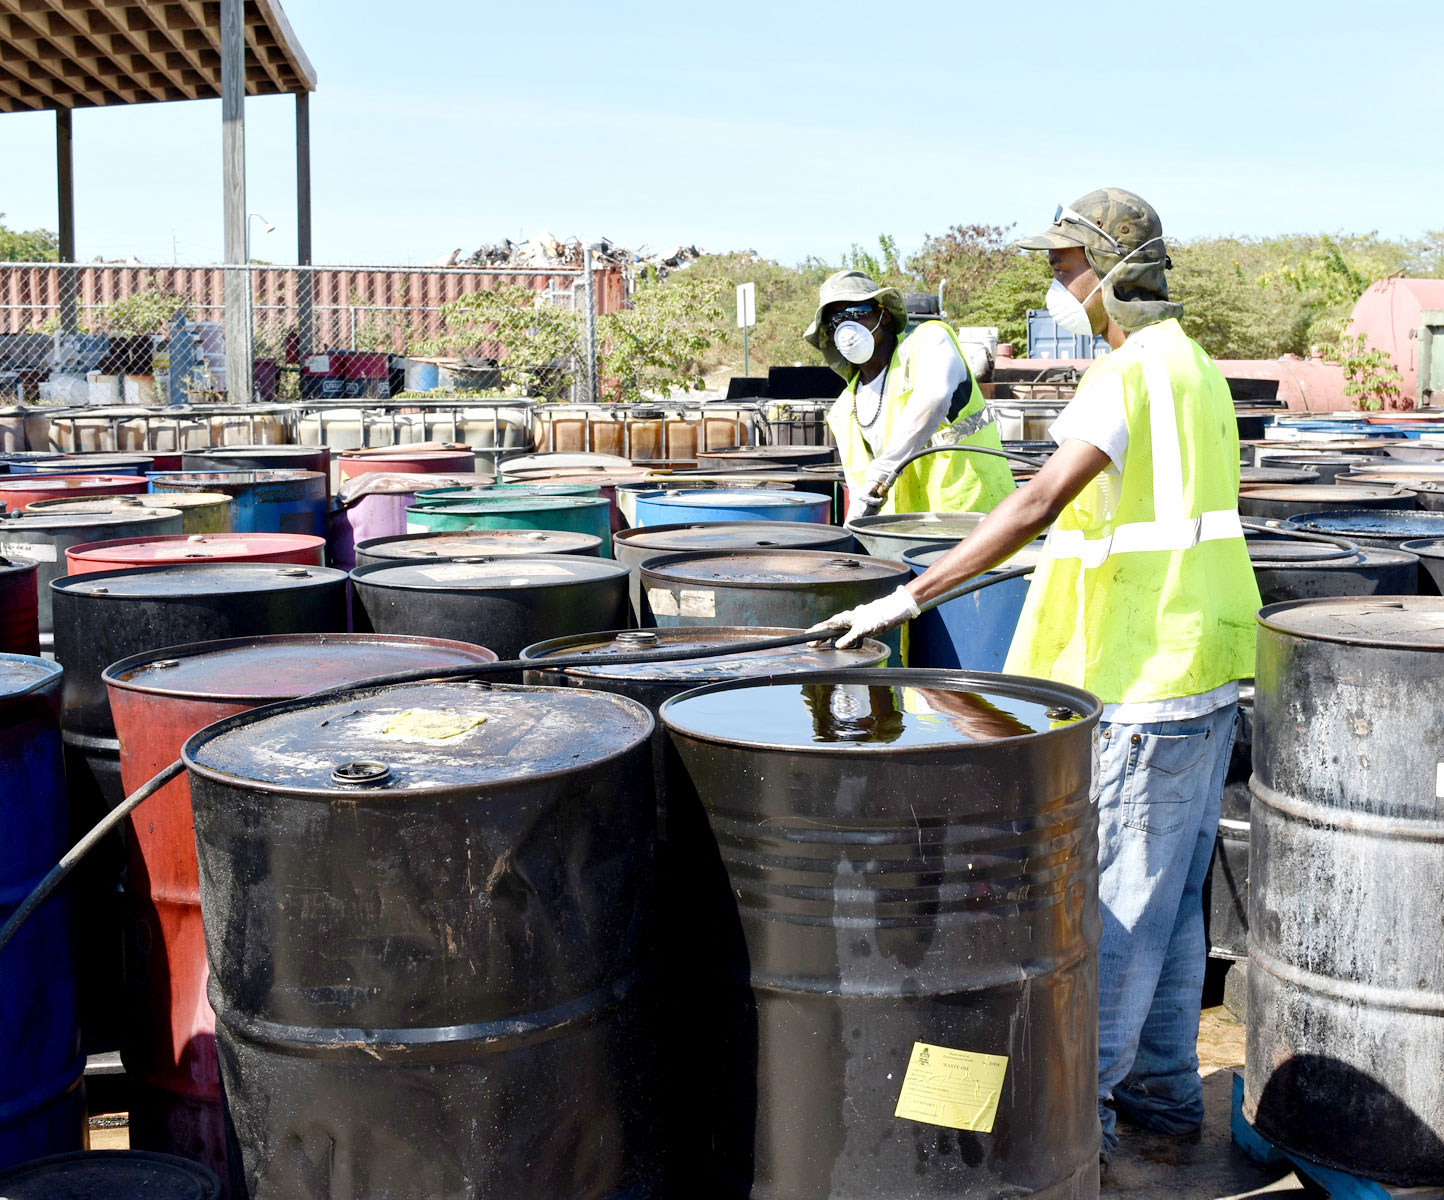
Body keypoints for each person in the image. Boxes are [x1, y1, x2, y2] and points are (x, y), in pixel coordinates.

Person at [812, 189, 1261, 1174]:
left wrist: (909, 597)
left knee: (1117, 916)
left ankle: (1081, 1120)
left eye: (1067, 266)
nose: (1057, 284)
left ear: (1115, 268)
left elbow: (1040, 497)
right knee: (1174, 902)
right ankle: (1164, 1098)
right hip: (1207, 661)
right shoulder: (1195, 367)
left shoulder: (1126, 370)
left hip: (1143, 674)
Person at [803, 270, 1015, 522]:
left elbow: (934, 398)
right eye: (835, 320)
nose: (846, 327)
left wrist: (883, 469)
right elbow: (860, 490)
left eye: (856, 313)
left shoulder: (929, 342)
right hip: (903, 538)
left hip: (974, 520)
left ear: (884, 315)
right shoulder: (844, 410)